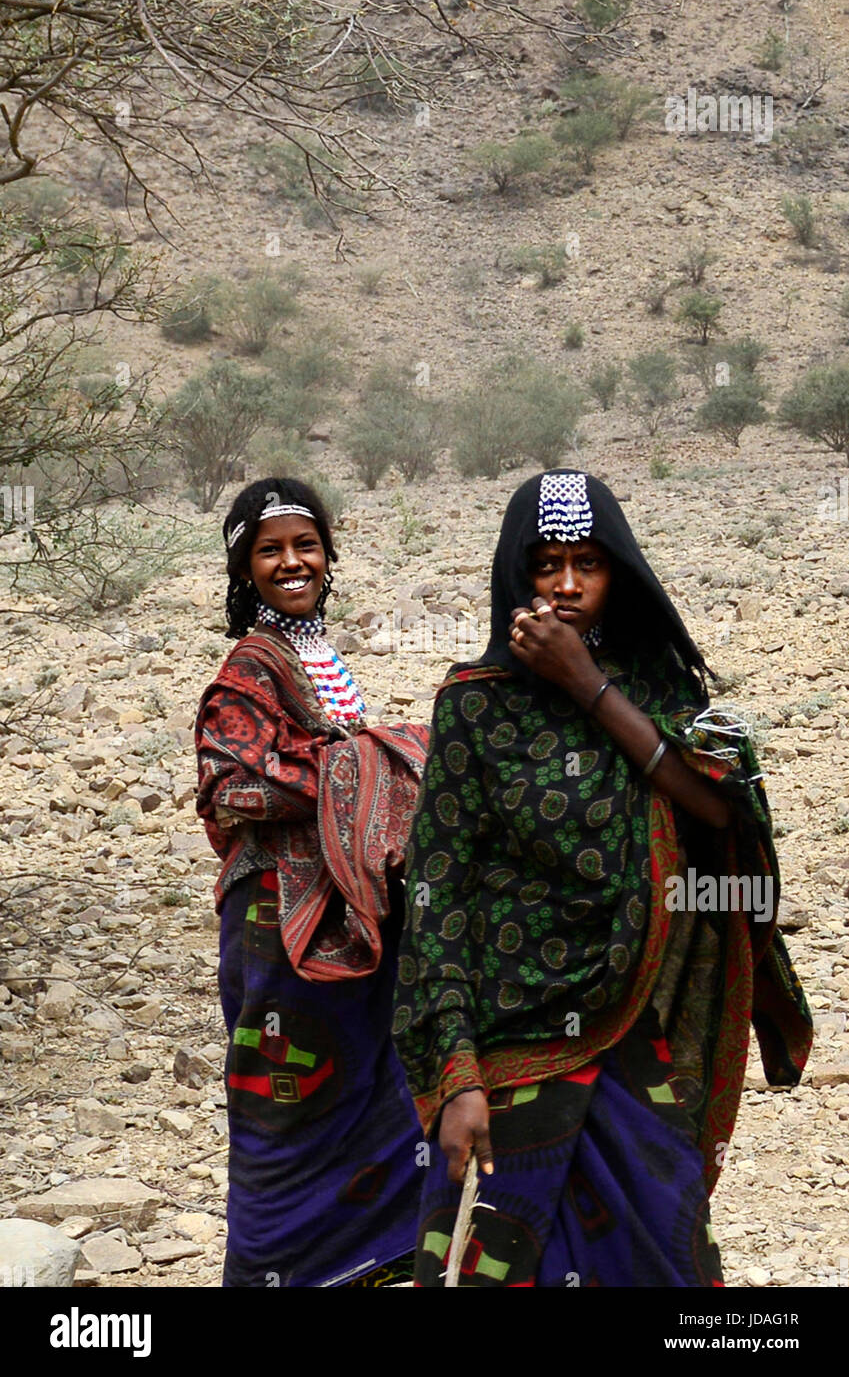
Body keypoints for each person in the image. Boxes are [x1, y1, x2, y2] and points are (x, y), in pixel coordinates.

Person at [392, 469, 812, 1287]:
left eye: (588, 562)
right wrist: (457, 1073)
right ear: (517, 578)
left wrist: (587, 684)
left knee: (664, 1247)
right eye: (545, 565)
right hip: (514, 1042)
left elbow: (725, 810)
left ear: (619, 571)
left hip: (637, 1029)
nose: (567, 584)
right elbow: (437, 897)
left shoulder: (660, 692)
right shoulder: (475, 707)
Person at [195, 476, 428, 1287]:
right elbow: (231, 784)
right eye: (270, 550)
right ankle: (270, 1269)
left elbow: (322, 759)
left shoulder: (313, 653)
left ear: (328, 555)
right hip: (277, 921)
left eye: (305, 545)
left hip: (341, 907)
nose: (292, 562)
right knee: (284, 1099)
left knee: (365, 1082)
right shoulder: (248, 669)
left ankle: (359, 1257)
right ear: (242, 568)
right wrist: (370, 759)